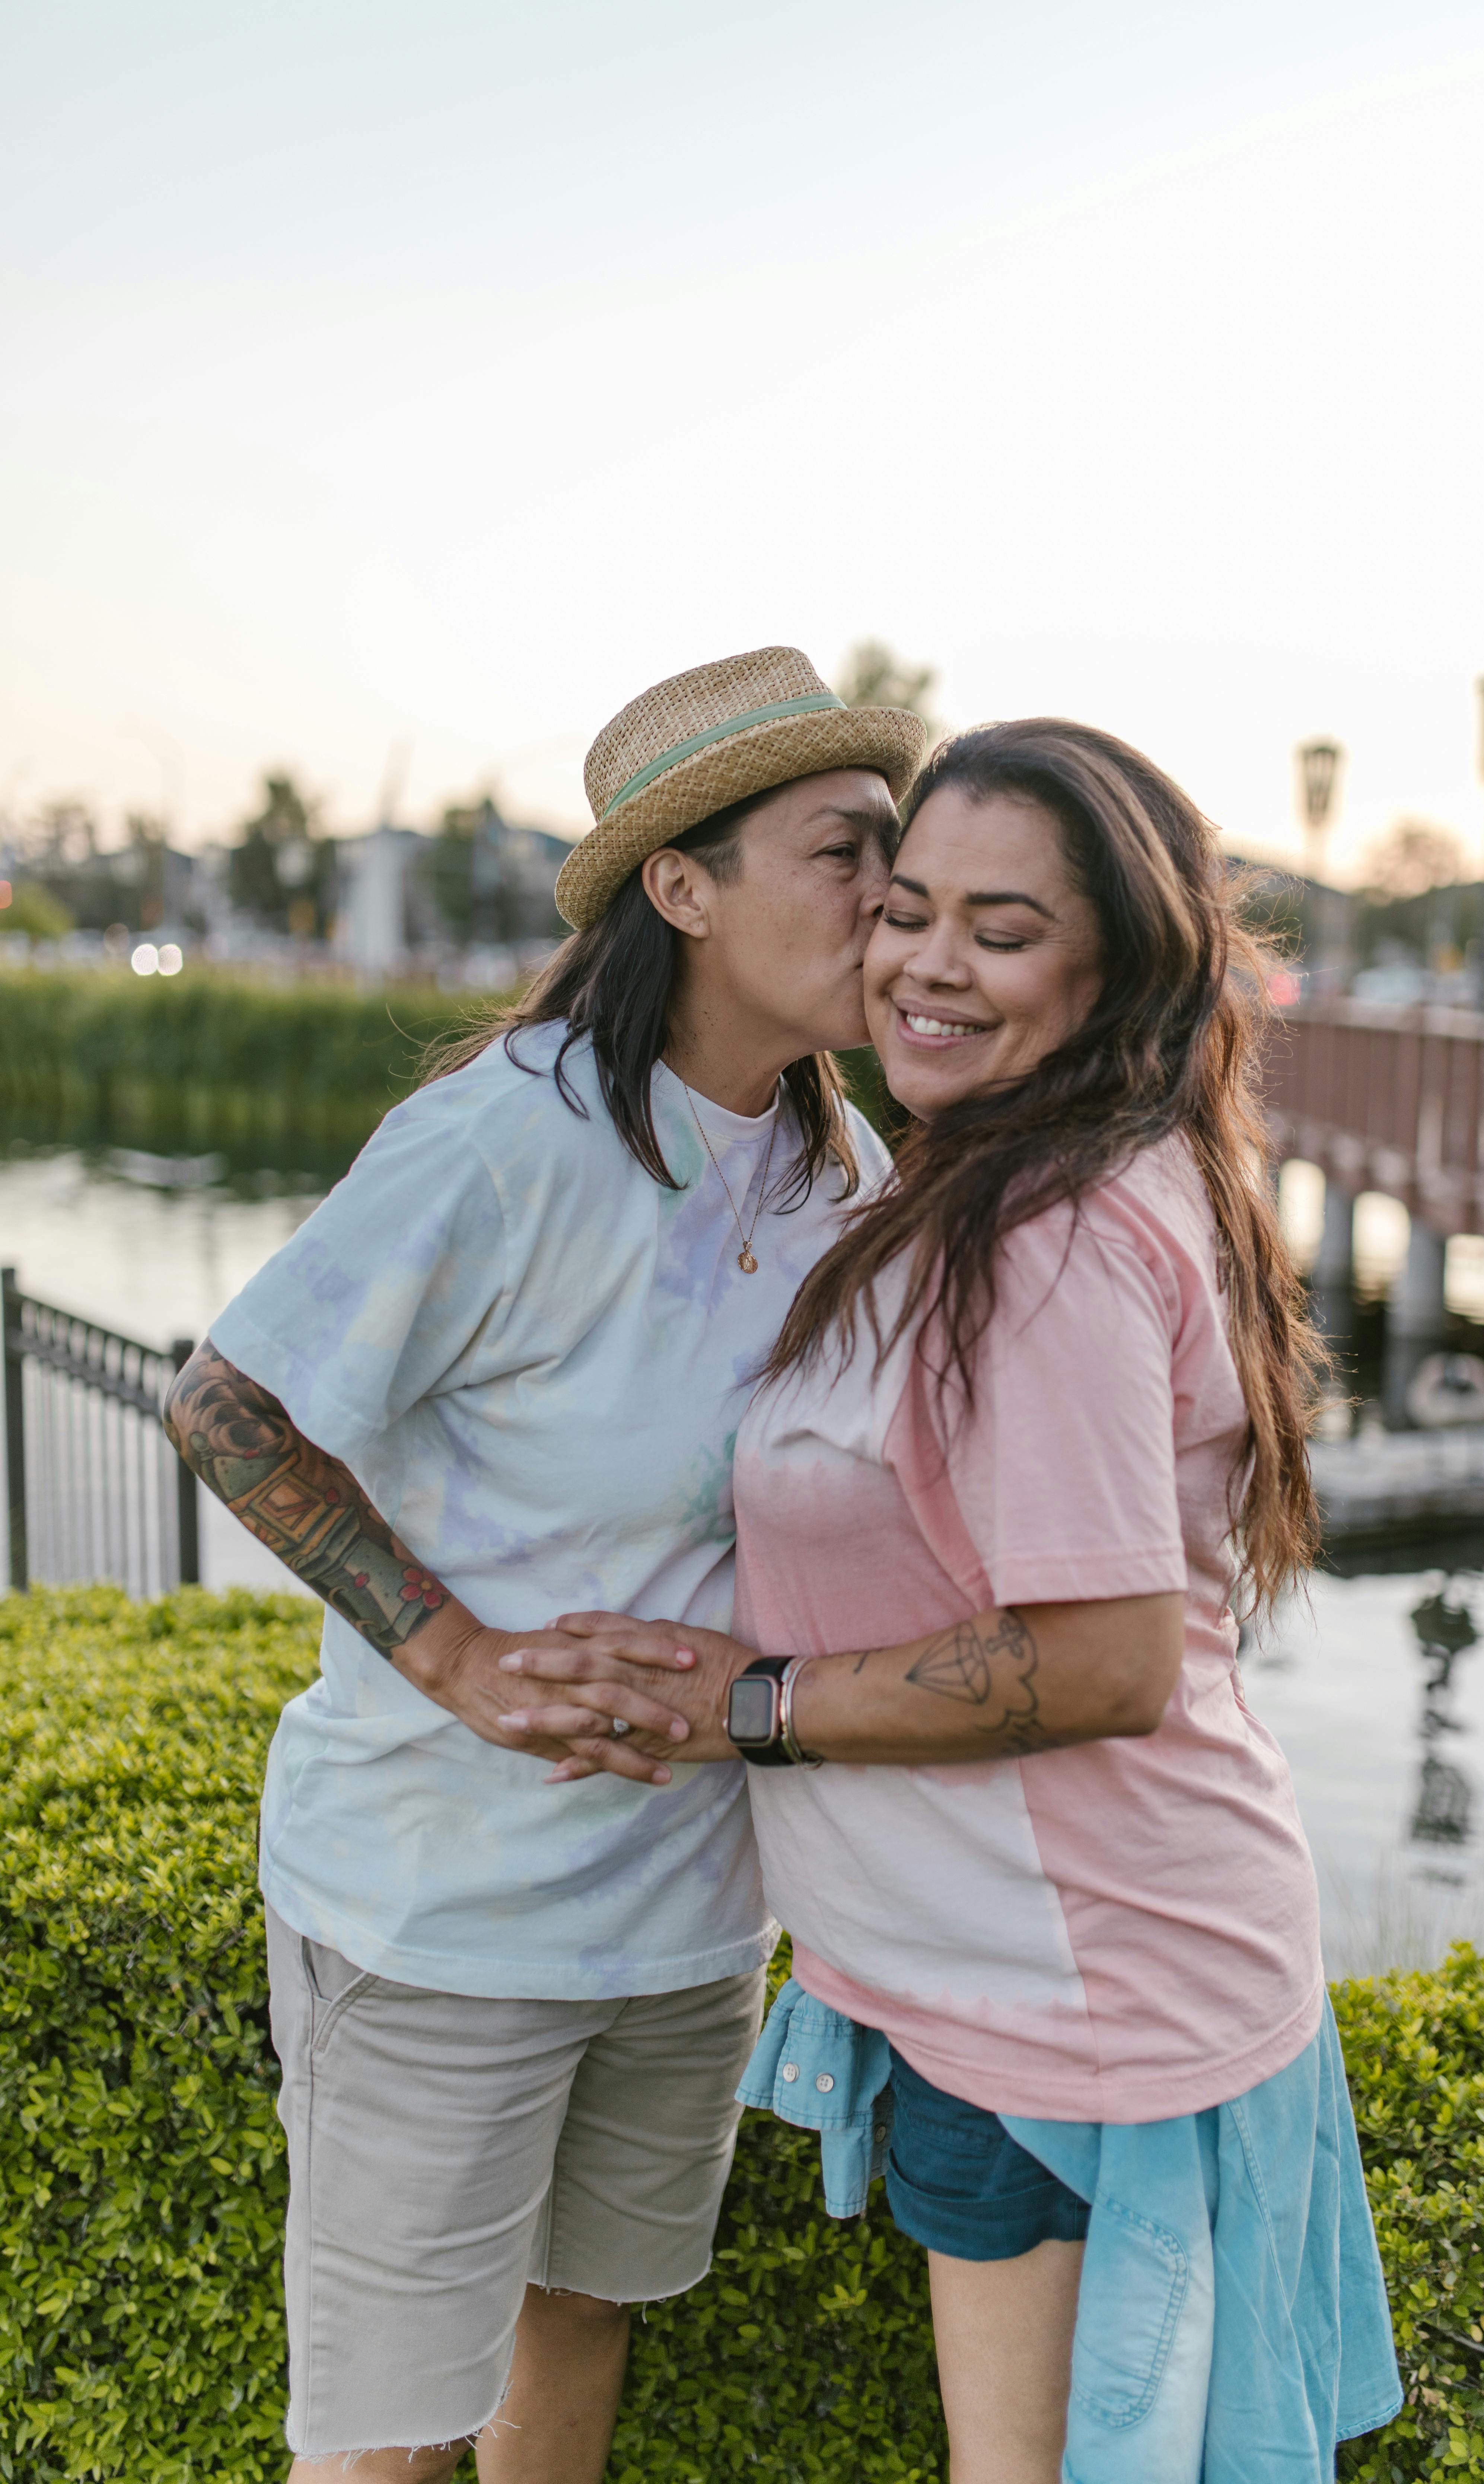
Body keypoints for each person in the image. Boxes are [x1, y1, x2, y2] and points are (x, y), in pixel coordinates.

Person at [507, 718, 1402, 2482]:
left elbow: (1104, 1660)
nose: (926, 963)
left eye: (999, 932)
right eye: (906, 907)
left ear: (1114, 965)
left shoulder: (1049, 1235)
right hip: (1011, 1977)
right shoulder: (978, 1179)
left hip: (1074, 2008)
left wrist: (743, 1704)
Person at [163, 644, 926, 2484]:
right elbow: (226, 1403)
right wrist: (451, 1656)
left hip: (685, 1915)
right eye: (843, 852)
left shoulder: (845, 1174)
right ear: (684, 889)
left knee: (578, 2327)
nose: (887, 900)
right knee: (391, 2430)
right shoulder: (507, 1136)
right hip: (443, 1916)